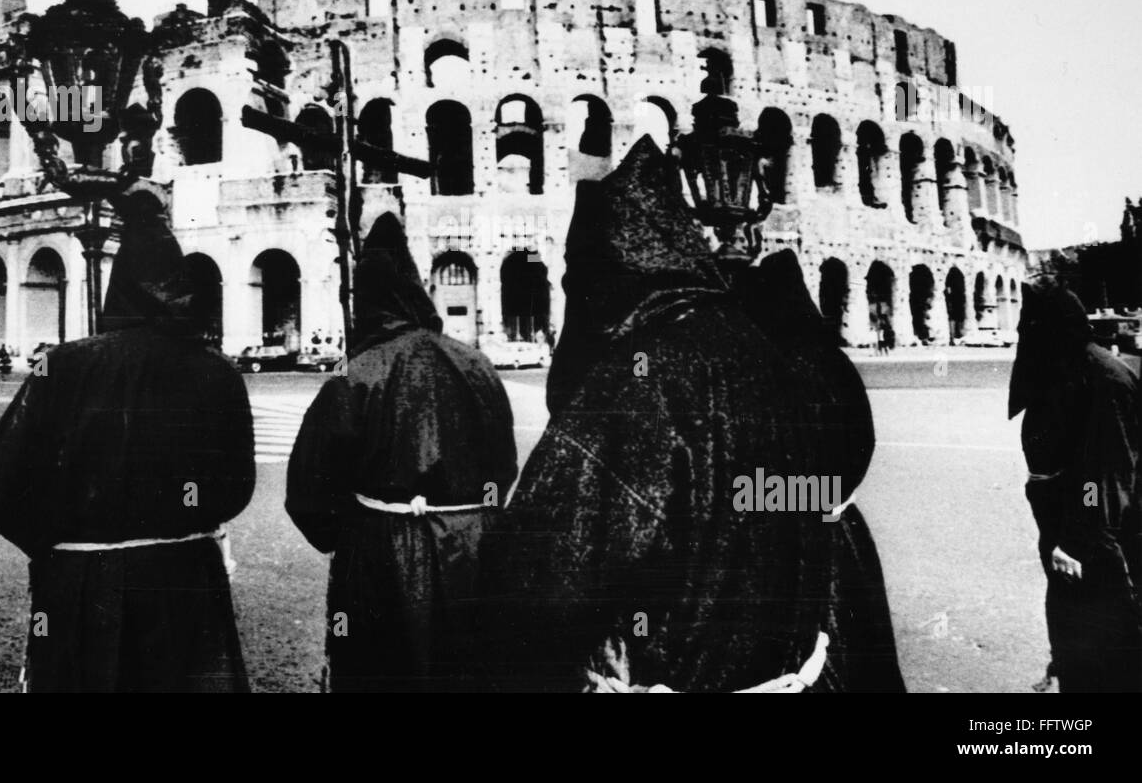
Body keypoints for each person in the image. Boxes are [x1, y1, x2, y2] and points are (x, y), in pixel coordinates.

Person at [482, 137, 837, 692]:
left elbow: (540, 583)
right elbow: (817, 493)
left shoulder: (636, 378)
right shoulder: (761, 347)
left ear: (612, 268)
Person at [0, 199, 255, 692]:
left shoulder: (63, 363)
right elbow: (234, 489)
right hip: (185, 576)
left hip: (80, 580)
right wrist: (184, 518)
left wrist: (59, 545)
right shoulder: (218, 370)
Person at [285, 212, 518, 692]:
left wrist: (352, 532)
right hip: (472, 551)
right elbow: (503, 466)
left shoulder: (356, 375)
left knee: (383, 671)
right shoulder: (479, 366)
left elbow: (309, 490)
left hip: (381, 555)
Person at [740, 248, 905, 691]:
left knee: (819, 655)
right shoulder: (833, 360)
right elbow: (860, 448)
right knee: (861, 651)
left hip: (801, 535)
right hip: (844, 526)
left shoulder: (777, 368)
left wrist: (750, 496)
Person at [1009, 283, 1141, 692]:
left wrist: (1076, 539)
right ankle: (1067, 669)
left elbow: (1104, 473)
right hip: (1071, 516)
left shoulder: (1102, 377)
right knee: (1075, 616)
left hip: (1094, 528)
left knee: (1103, 627)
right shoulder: (1070, 366)